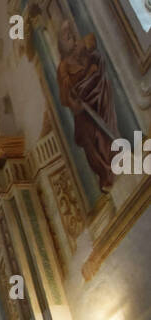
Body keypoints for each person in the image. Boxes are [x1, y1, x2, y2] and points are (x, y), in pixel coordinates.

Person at [55, 19, 118, 192]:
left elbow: (94, 54)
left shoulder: (81, 49)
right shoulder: (63, 67)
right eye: (68, 37)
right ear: (61, 43)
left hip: (98, 98)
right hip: (83, 111)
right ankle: (105, 173)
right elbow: (65, 96)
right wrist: (75, 105)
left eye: (72, 35)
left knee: (106, 131)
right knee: (87, 139)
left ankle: (117, 160)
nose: (72, 40)